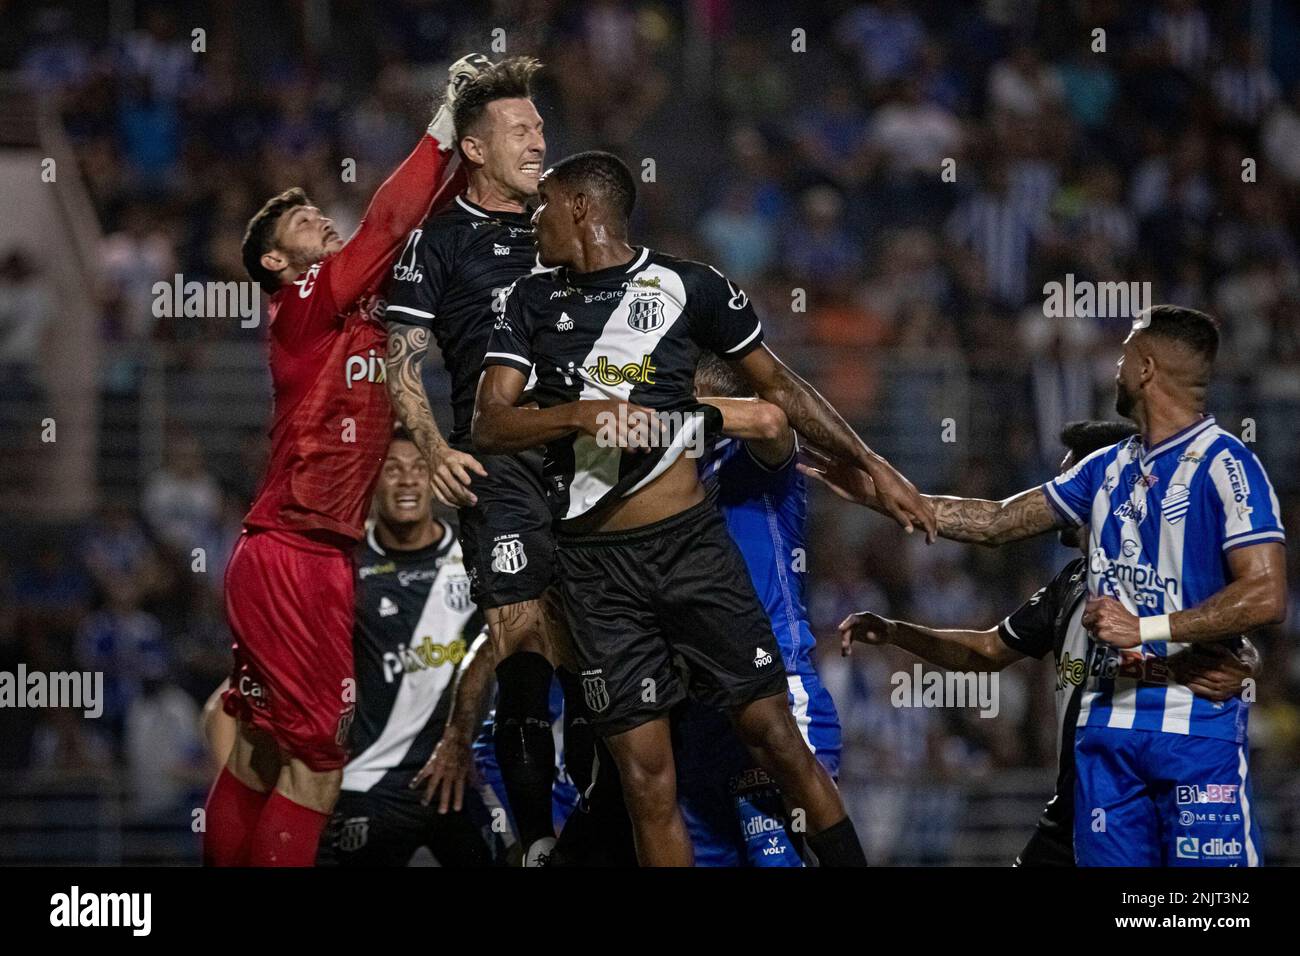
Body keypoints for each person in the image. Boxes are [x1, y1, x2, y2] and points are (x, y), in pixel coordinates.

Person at [473, 150, 934, 865]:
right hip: (595, 574)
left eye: (543, 206)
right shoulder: (530, 303)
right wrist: (576, 417)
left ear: (582, 207)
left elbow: (779, 391)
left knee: (777, 739)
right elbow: (490, 424)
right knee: (646, 782)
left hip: (690, 551)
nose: (533, 220)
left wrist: (874, 466)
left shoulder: (690, 287)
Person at [805, 305, 1287, 866]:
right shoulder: (1104, 468)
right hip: (1105, 733)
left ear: (1148, 367)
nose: (1114, 365)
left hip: (1191, 727)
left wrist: (1149, 629)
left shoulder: (1228, 464)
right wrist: (876, 493)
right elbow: (996, 521)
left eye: (1124, 352)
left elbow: (1265, 595)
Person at [203, 54, 487, 867]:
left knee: (259, 750)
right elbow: (390, 222)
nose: (323, 226)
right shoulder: (300, 305)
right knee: (323, 761)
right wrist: (443, 119)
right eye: (303, 228)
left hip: (285, 551)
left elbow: (413, 220)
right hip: (300, 554)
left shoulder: (353, 298)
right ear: (274, 264)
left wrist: (462, 142)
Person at [383, 56, 592, 865]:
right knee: (521, 636)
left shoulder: (569, 223)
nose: (540, 139)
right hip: (497, 467)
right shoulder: (435, 244)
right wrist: (434, 449)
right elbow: (403, 359)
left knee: (591, 649)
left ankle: (594, 830)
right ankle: (536, 840)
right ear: (474, 148)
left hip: (586, 462)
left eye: (541, 126)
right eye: (520, 130)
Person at [317, 430, 500, 866]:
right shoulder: (345, 563)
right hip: (371, 776)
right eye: (393, 470)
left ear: (435, 479)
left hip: (461, 773)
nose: (407, 482)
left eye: (419, 469)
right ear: (372, 480)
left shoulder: (472, 553)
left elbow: (505, 640)